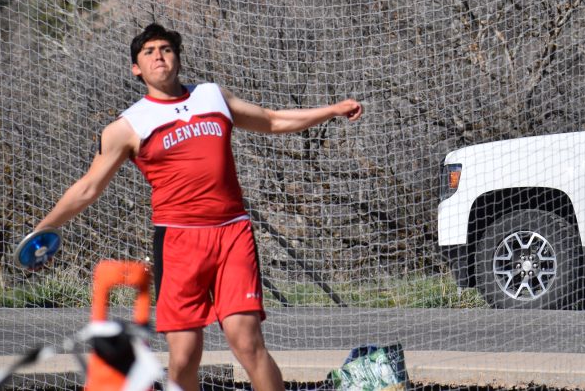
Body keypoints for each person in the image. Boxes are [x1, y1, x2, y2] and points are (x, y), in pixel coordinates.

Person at [32, 23, 363, 391]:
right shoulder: (126, 126)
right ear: (136, 69)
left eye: (166, 49)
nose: (159, 55)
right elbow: (88, 187)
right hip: (179, 242)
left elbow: (271, 120)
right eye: (149, 52)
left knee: (248, 342)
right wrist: (45, 227)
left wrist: (330, 110)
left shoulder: (211, 96)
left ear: (177, 57)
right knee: (185, 356)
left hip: (232, 234)